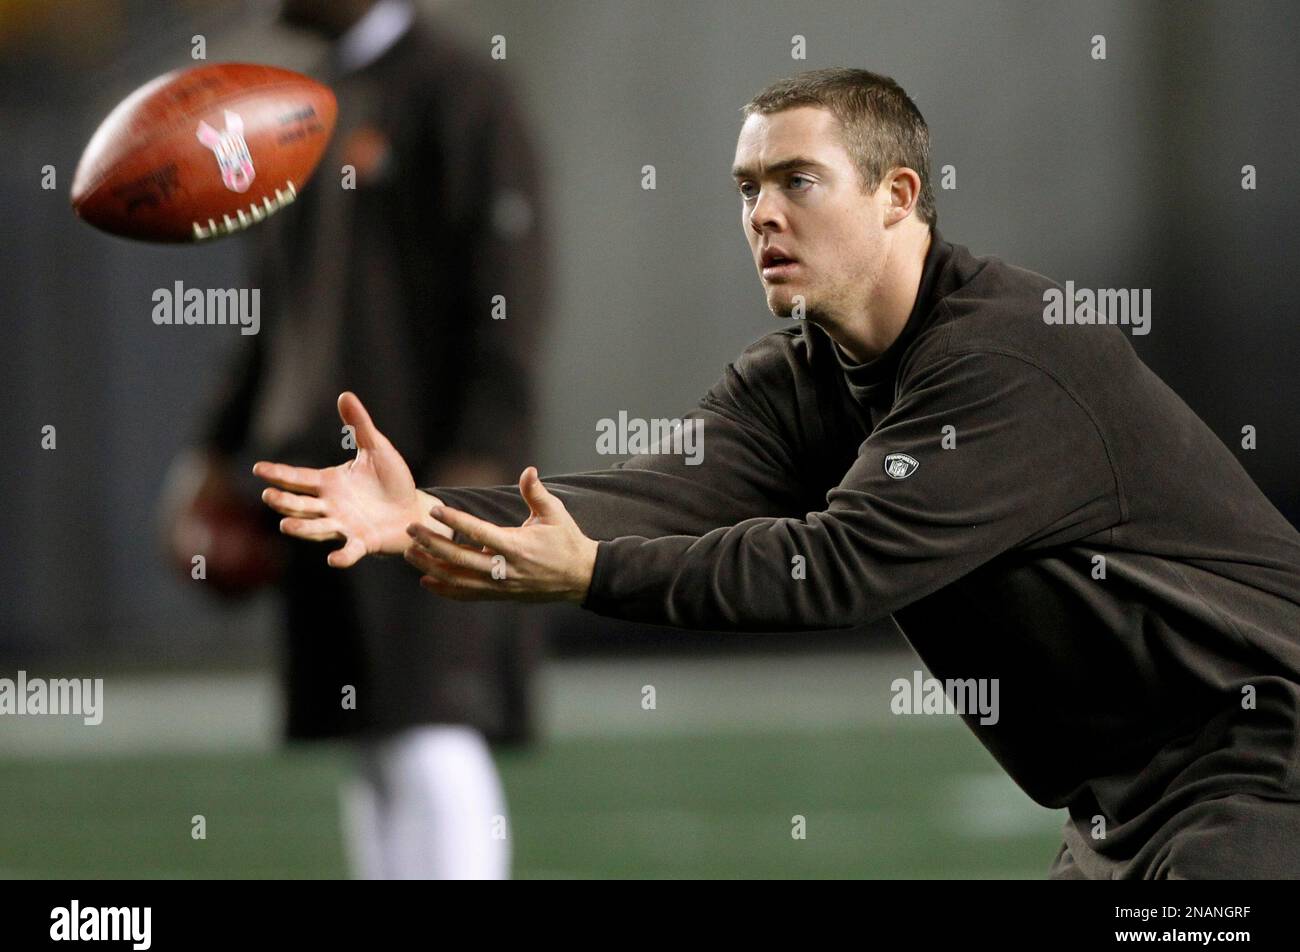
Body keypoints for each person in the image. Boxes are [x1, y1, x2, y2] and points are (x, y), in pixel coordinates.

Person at [253, 68, 1300, 879]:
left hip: (1263, 765)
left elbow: (833, 566)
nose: (761, 212)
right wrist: (423, 511)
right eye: (747, 187)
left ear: (898, 196)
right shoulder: (802, 375)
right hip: (1126, 801)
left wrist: (590, 577)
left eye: (796, 181)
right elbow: (663, 495)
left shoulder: (1003, 359)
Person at [165, 0, 548, 879]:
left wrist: (475, 469)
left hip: (420, 478)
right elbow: (269, 320)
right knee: (370, 732)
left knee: (431, 722)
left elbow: (512, 294)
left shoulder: (461, 93)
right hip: (319, 481)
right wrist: (208, 460)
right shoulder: (293, 109)